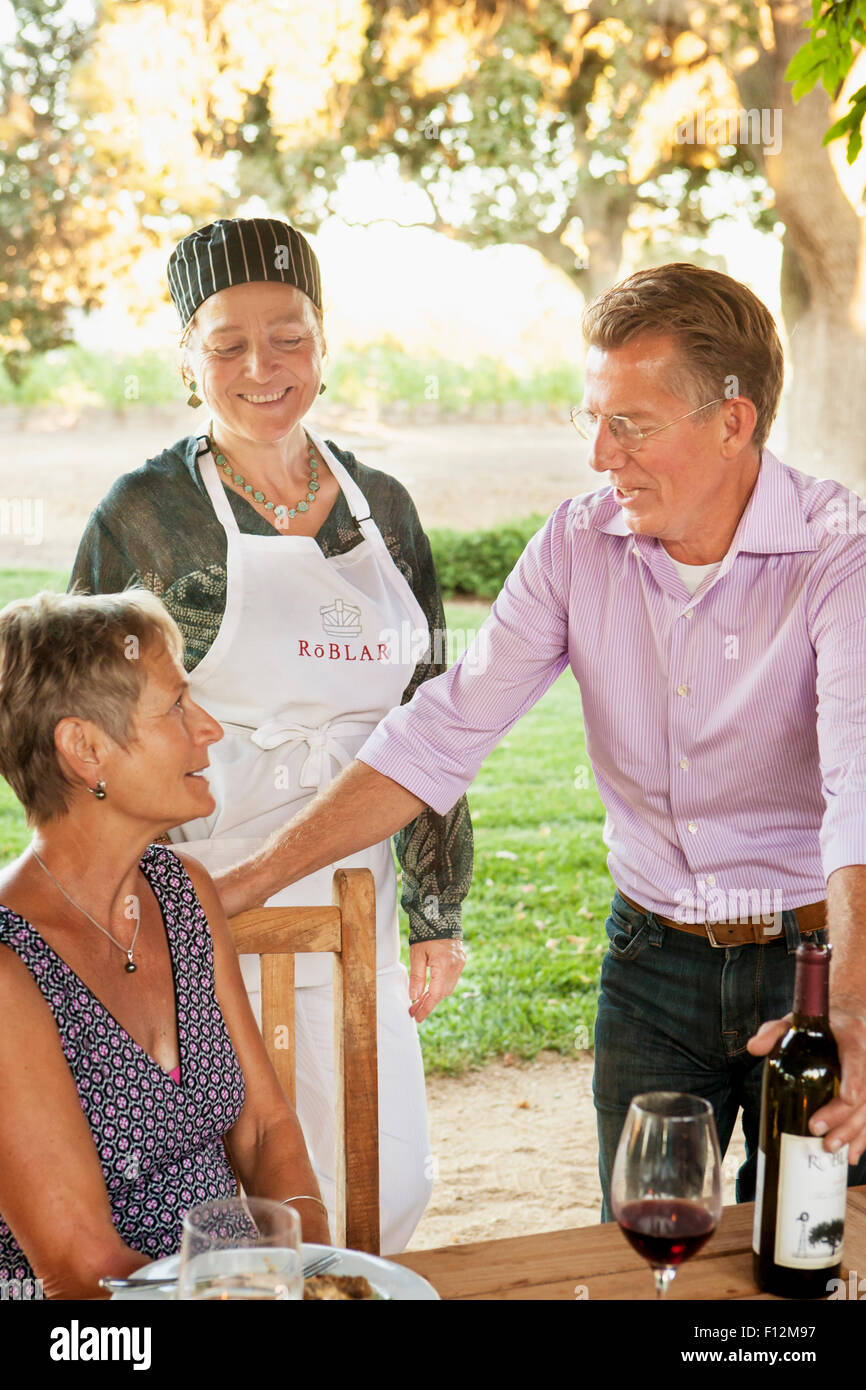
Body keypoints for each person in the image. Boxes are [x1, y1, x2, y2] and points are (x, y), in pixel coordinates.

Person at [213, 261, 866, 1216]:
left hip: (817, 963)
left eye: (631, 425)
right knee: (641, 1239)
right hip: (653, 961)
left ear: (734, 422)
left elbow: (860, 783)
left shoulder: (838, 552)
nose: (601, 455)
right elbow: (443, 730)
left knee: (811, 1243)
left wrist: (849, 1004)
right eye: (590, 419)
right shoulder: (575, 545)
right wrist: (241, 886)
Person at [69, 217, 472, 1254]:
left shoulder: (381, 506)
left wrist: (434, 911)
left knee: (371, 1166)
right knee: (224, 1189)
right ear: (186, 359)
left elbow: (430, 714)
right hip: (197, 895)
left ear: (323, 341)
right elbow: (80, 730)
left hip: (356, 883)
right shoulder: (148, 514)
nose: (261, 366)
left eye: (287, 335)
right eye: (227, 342)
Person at [0, 590, 329, 1299]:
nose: (209, 729)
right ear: (85, 748)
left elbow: (267, 1132)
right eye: (177, 706)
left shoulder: (183, 891)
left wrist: (310, 1275)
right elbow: (80, 1266)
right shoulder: (7, 968)